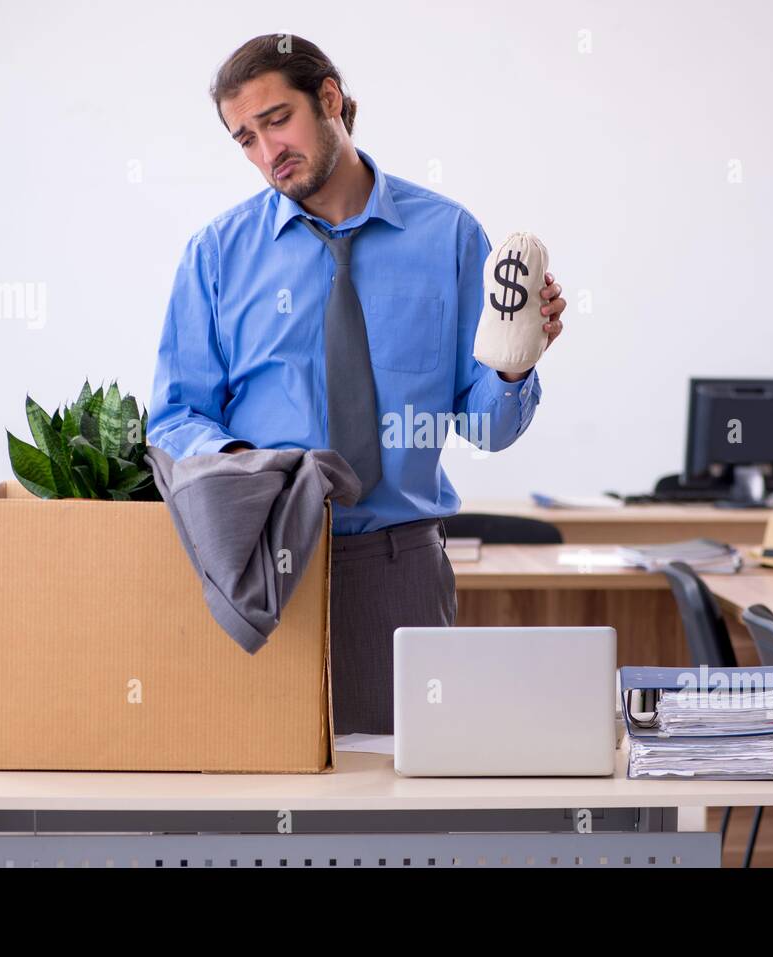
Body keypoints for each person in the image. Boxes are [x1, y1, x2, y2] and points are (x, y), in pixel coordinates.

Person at [147, 34, 567, 734]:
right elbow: (174, 416)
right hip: (260, 566)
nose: (265, 152)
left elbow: (487, 429)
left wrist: (515, 367)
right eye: (244, 138)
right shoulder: (216, 256)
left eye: (277, 120)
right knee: (256, 811)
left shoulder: (450, 237)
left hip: (397, 570)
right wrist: (253, 473)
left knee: (399, 814)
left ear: (331, 99)